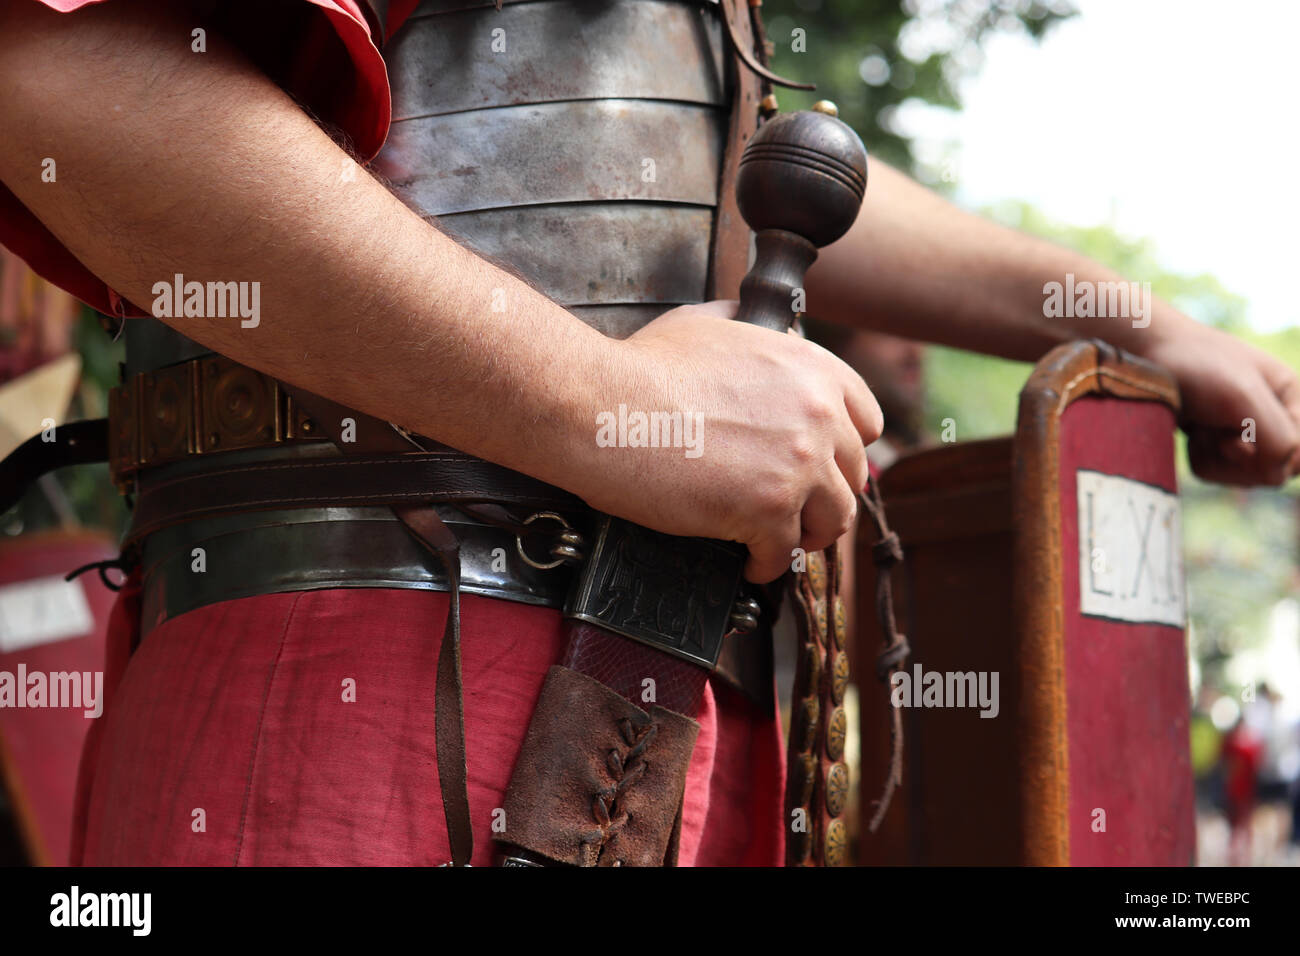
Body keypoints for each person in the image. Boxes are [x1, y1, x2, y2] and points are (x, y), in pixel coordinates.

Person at [0, 0, 1295, 866]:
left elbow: (681, 178)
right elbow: (55, 71)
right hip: (370, 679)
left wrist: (1125, 318)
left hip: (673, 691)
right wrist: (614, 408)